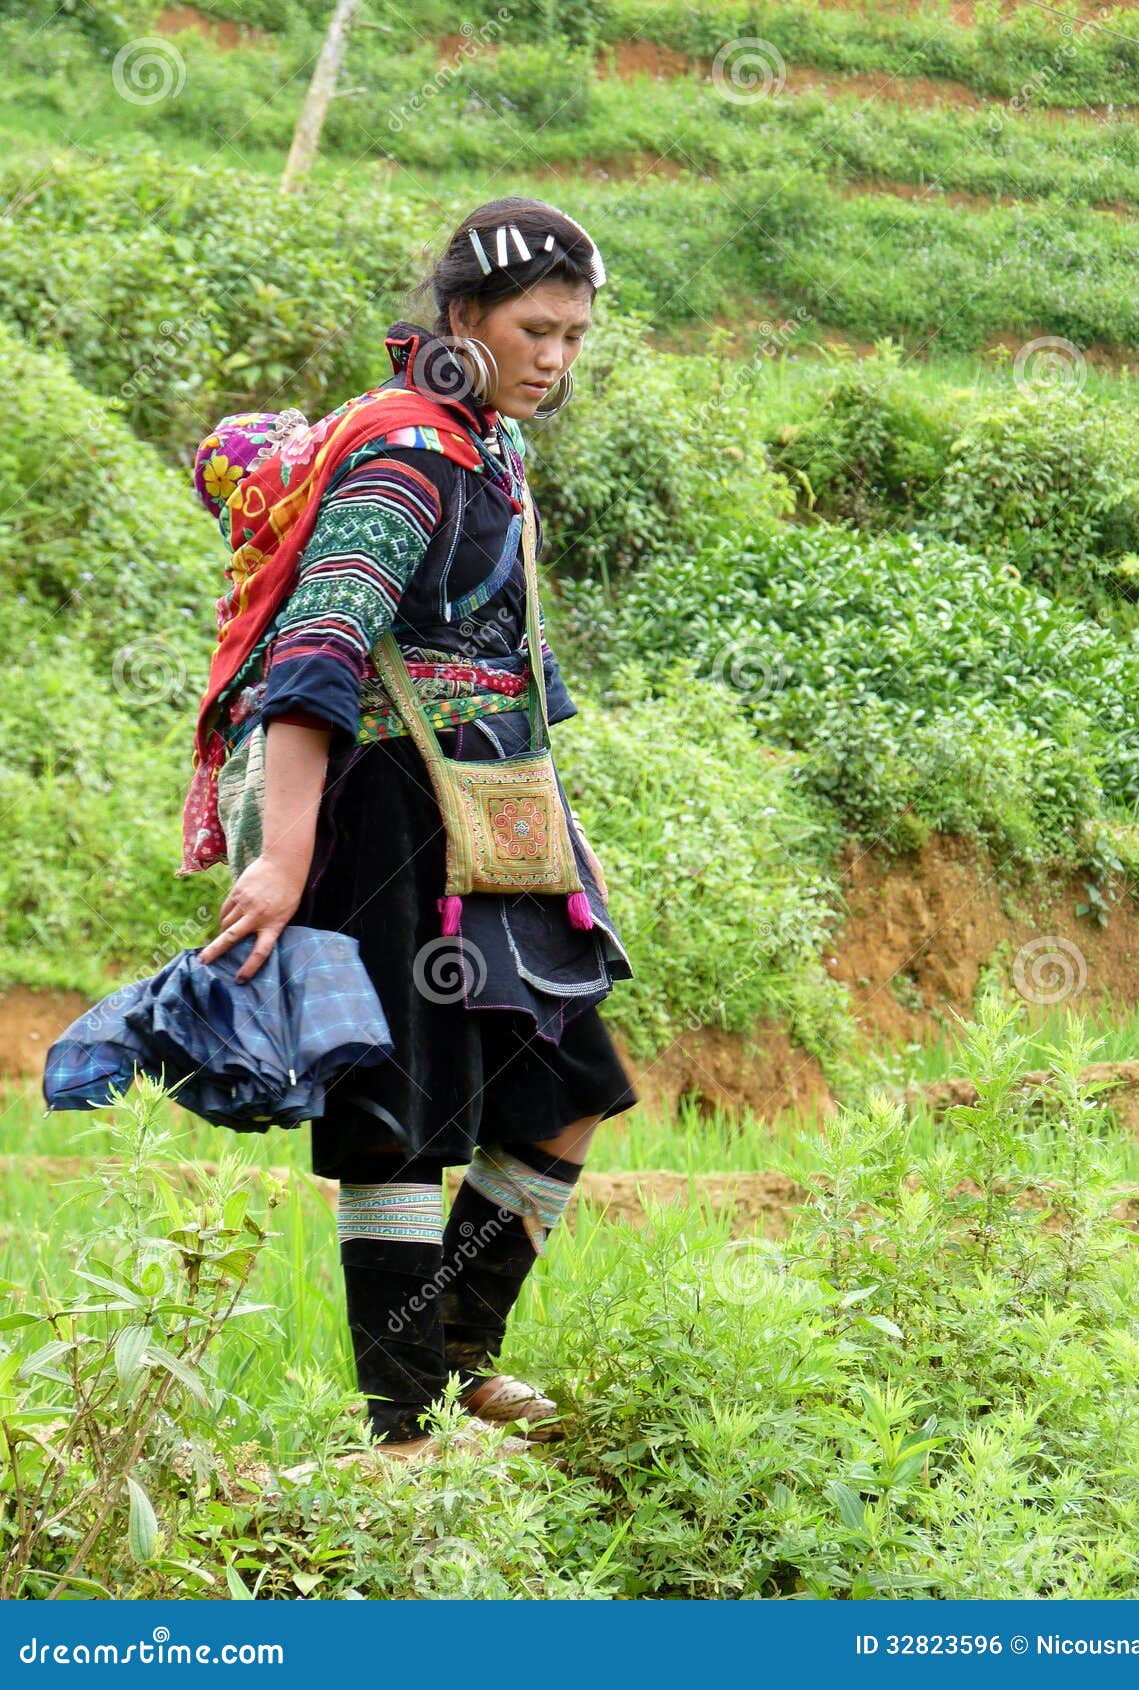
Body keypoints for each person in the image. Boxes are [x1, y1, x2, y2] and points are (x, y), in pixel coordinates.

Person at [186, 198, 637, 1456]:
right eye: (536, 329)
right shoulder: (407, 458)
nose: (557, 356)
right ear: (459, 321)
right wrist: (279, 858)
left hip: (487, 813)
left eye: (576, 336)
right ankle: (399, 1423)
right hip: (386, 811)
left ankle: (453, 1349)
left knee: (571, 1088)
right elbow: (321, 650)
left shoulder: (491, 450)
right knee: (399, 1112)